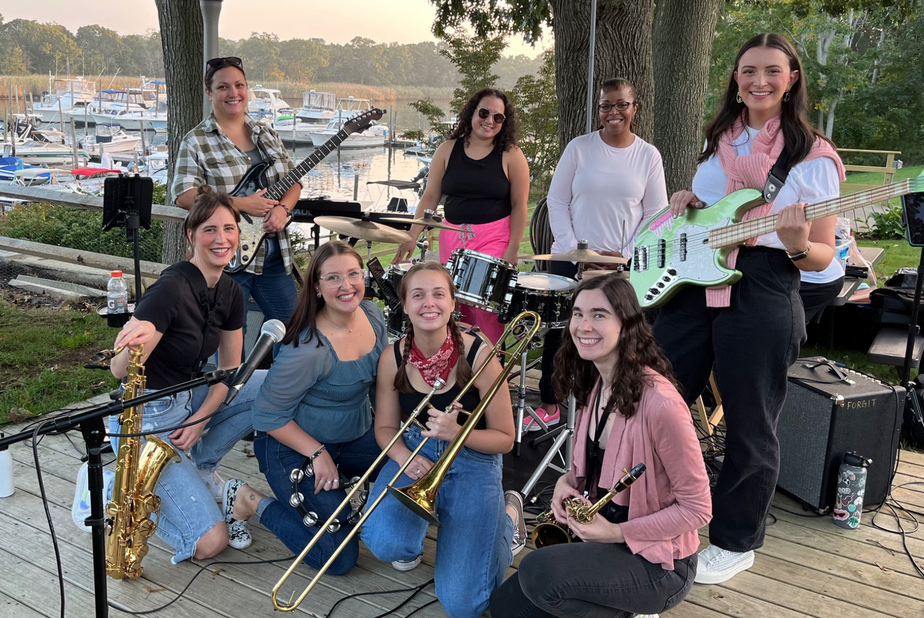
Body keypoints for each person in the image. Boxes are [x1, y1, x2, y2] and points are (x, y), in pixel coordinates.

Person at [652, 33, 846, 585]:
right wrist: (687, 204)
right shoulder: (723, 138)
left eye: (772, 71)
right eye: (748, 71)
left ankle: (737, 541)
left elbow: (823, 255)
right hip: (697, 281)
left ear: (792, 80)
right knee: (655, 395)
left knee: (749, 421)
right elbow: (711, 212)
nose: (758, 81)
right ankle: (653, 507)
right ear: (735, 80)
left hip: (763, 283)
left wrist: (794, 243)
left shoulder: (813, 156)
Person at [490, 275, 712, 618]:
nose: (583, 325)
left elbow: (698, 509)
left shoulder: (662, 404)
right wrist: (565, 485)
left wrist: (615, 532)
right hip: (605, 534)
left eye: (598, 314)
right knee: (505, 607)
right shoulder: (598, 384)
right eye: (578, 314)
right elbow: (587, 469)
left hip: (659, 564)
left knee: (538, 573)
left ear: (626, 325)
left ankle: (634, 611)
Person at [104, 187, 266, 562]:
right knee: (210, 543)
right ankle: (121, 491)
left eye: (229, 229)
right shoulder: (170, 289)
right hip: (146, 417)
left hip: (188, 399)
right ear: (191, 236)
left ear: (239, 236)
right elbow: (118, 371)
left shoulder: (230, 291)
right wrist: (129, 346)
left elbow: (229, 372)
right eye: (210, 229)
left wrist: (199, 420)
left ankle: (201, 468)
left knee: (272, 385)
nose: (221, 239)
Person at [361, 262, 520, 618]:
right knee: (384, 542)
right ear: (404, 305)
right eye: (417, 295)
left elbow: (505, 438)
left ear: (452, 303)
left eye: (438, 294)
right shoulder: (393, 356)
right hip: (415, 448)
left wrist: (457, 433)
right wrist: (404, 457)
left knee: (465, 605)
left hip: (474, 457)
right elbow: (386, 429)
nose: (428, 303)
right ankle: (418, 532)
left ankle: (506, 520)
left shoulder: (481, 355)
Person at [231, 241, 387, 575]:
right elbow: (266, 415)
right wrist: (318, 452)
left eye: (353, 274)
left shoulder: (373, 316)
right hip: (293, 446)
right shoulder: (309, 348)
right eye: (333, 278)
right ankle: (251, 501)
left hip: (352, 435)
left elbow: (381, 384)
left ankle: (389, 528)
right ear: (316, 286)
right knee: (338, 558)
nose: (346, 286)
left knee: (416, 453)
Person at [535, 77, 668, 432]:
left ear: (634, 108)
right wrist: (576, 248)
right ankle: (551, 405)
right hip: (571, 258)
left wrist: (621, 255)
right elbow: (557, 201)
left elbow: (656, 216)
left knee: (617, 338)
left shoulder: (648, 156)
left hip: (623, 265)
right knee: (561, 334)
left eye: (621, 104)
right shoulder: (579, 148)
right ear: (598, 110)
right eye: (606, 105)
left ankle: (611, 412)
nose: (614, 112)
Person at [170, 56, 301, 328]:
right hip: (224, 260)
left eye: (239, 85)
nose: (233, 93)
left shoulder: (266, 133)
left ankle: (279, 374)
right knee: (229, 345)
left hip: (273, 257)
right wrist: (240, 204)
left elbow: (294, 181)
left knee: (293, 335)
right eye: (223, 87)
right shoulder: (196, 140)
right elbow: (183, 195)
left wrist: (283, 208)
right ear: (209, 92)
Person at [394, 88, 530, 344]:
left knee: (484, 313)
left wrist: (512, 250)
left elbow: (520, 206)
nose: (490, 121)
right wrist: (412, 235)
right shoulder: (447, 150)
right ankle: (456, 374)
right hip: (452, 237)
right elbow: (430, 196)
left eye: (498, 117)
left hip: (493, 239)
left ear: (504, 122)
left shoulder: (512, 155)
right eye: (484, 113)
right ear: (471, 113)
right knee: (453, 309)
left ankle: (488, 374)